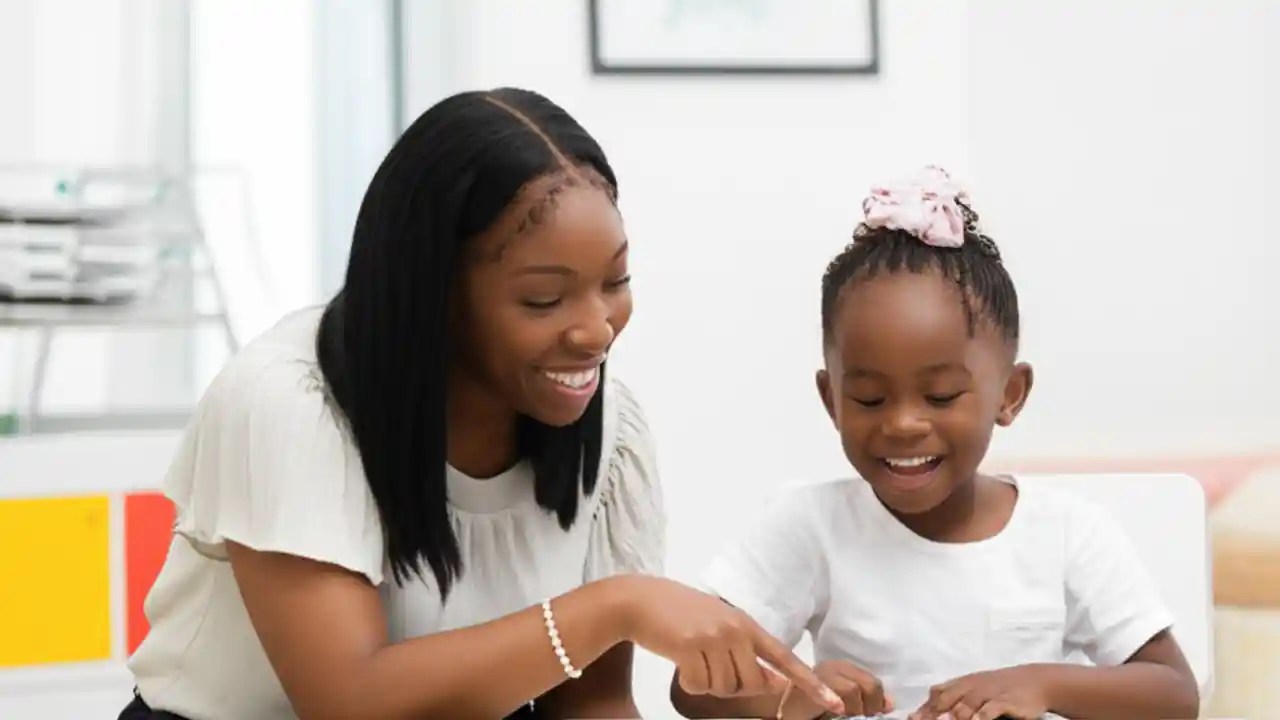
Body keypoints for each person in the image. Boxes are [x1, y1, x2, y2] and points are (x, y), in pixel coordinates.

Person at [118, 88, 846, 720]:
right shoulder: (290, 403)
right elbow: (347, 703)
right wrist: (617, 604)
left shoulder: (609, 428)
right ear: (431, 292)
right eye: (544, 298)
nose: (596, 329)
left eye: (615, 280)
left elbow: (587, 704)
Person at [671, 167, 1201, 720]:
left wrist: (1040, 685)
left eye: (942, 396)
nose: (903, 424)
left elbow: (1174, 694)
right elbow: (692, 688)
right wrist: (792, 695)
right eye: (871, 399)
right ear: (832, 400)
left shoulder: (1068, 535)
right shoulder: (811, 524)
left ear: (1010, 394)